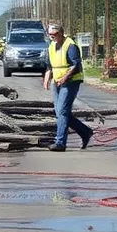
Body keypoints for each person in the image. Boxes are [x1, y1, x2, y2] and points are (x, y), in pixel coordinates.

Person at [42, 22, 93, 152]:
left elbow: (76, 65)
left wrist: (65, 78)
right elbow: (49, 65)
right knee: (60, 112)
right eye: (50, 35)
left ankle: (60, 142)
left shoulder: (70, 46)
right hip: (57, 82)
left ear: (61, 33)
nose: (52, 37)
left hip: (71, 81)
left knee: (63, 111)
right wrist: (47, 78)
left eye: (55, 35)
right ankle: (85, 132)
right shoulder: (52, 46)